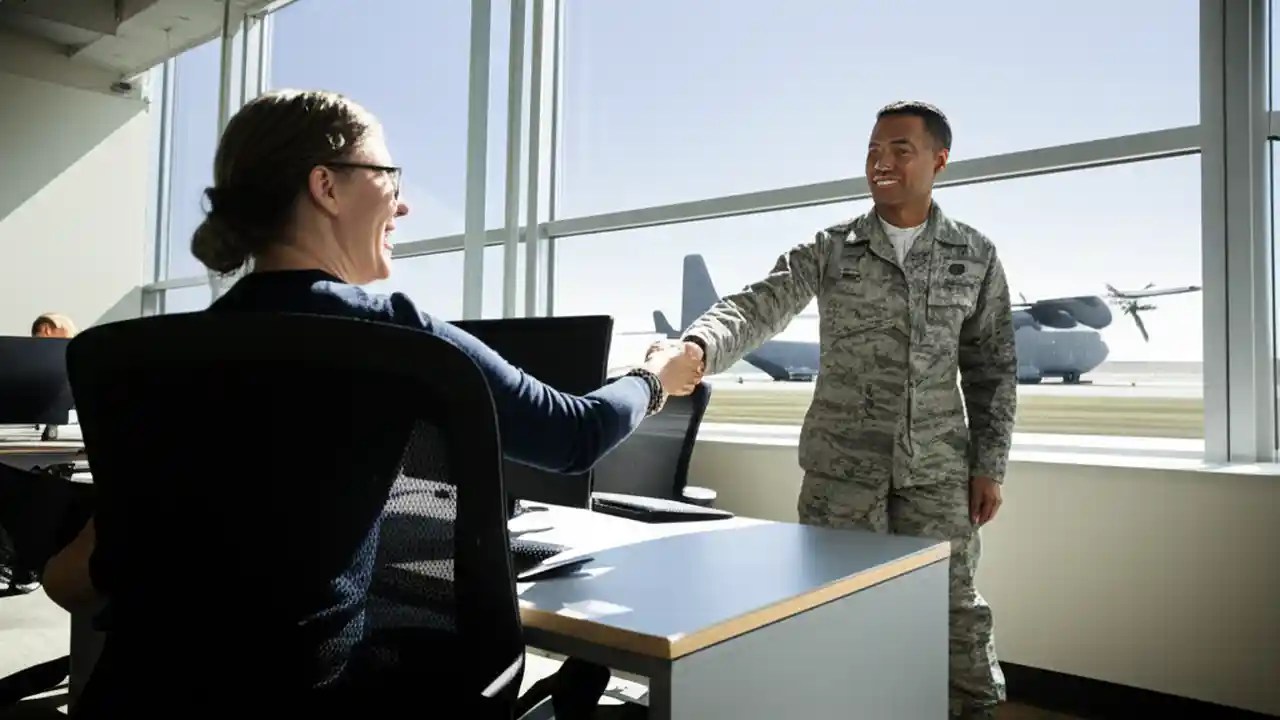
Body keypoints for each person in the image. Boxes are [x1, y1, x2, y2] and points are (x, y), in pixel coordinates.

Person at [42, 88, 704, 712]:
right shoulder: (388, 335)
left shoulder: (157, 360)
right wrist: (654, 377)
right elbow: (574, 435)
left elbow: (80, 576)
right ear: (326, 186)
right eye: (389, 176)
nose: (404, 206)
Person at [658, 100, 1017, 719]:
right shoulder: (831, 249)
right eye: (873, 150)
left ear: (939, 160)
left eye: (900, 149)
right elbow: (757, 304)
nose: (881, 162)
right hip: (841, 476)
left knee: (954, 611)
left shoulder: (975, 255)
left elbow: (993, 368)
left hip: (937, 474)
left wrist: (990, 465)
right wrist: (698, 346)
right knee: (836, 615)